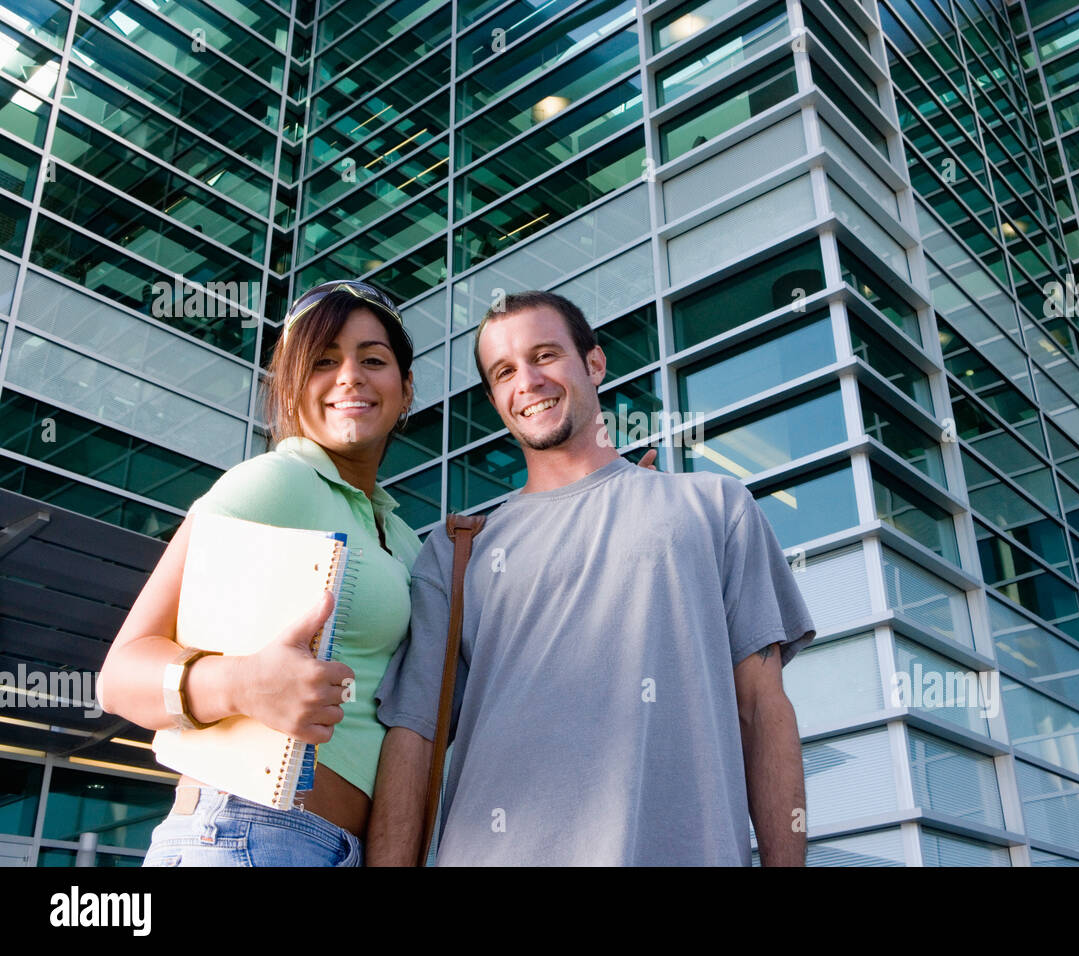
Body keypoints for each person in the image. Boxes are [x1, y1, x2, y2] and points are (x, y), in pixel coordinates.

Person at [368, 290, 815, 866]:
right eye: (504, 371)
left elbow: (763, 711)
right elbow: (413, 740)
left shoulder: (715, 508)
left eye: (545, 355)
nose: (526, 381)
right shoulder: (457, 551)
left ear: (595, 363)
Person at [100, 280, 421, 866]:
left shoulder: (402, 537)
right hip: (247, 833)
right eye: (324, 361)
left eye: (372, 360)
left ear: (406, 390)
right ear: (293, 389)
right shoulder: (275, 481)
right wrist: (243, 684)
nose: (350, 375)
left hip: (344, 849)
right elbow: (119, 676)